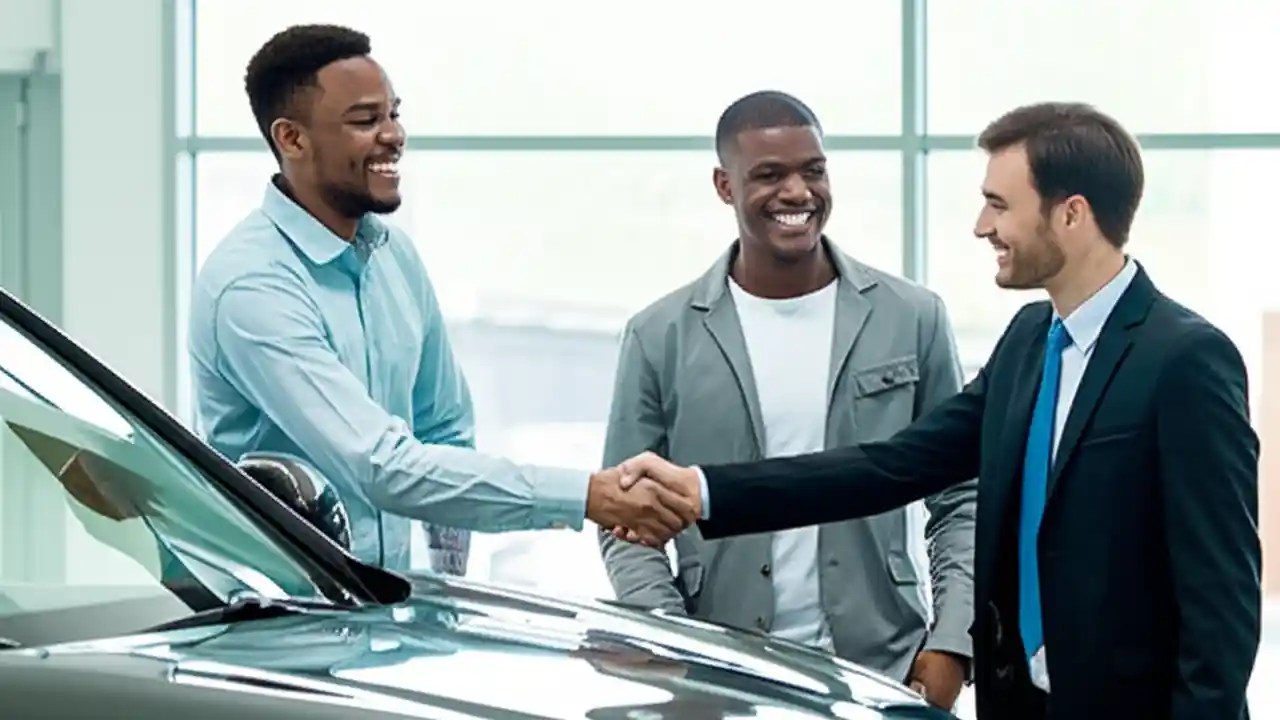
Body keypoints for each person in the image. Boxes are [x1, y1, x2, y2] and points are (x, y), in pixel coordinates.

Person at [613, 102, 1261, 719]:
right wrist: (702, 491)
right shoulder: (1028, 344)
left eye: (999, 205)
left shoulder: (1186, 360)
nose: (983, 226)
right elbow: (890, 467)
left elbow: (1222, 607)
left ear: (1071, 214)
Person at [188, 24, 695, 574]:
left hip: (382, 619)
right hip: (274, 625)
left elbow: (445, 431)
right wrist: (588, 495)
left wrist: (447, 592)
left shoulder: (392, 255)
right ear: (292, 139)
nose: (393, 135)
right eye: (365, 120)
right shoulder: (252, 286)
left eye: (394, 114)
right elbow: (380, 465)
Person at [596, 90, 977, 709]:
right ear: (725, 186)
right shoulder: (659, 335)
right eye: (769, 175)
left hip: (887, 672)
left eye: (814, 171)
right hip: (721, 674)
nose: (798, 193)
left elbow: (961, 497)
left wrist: (953, 642)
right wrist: (671, 641)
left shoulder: (913, 317)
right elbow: (623, 520)